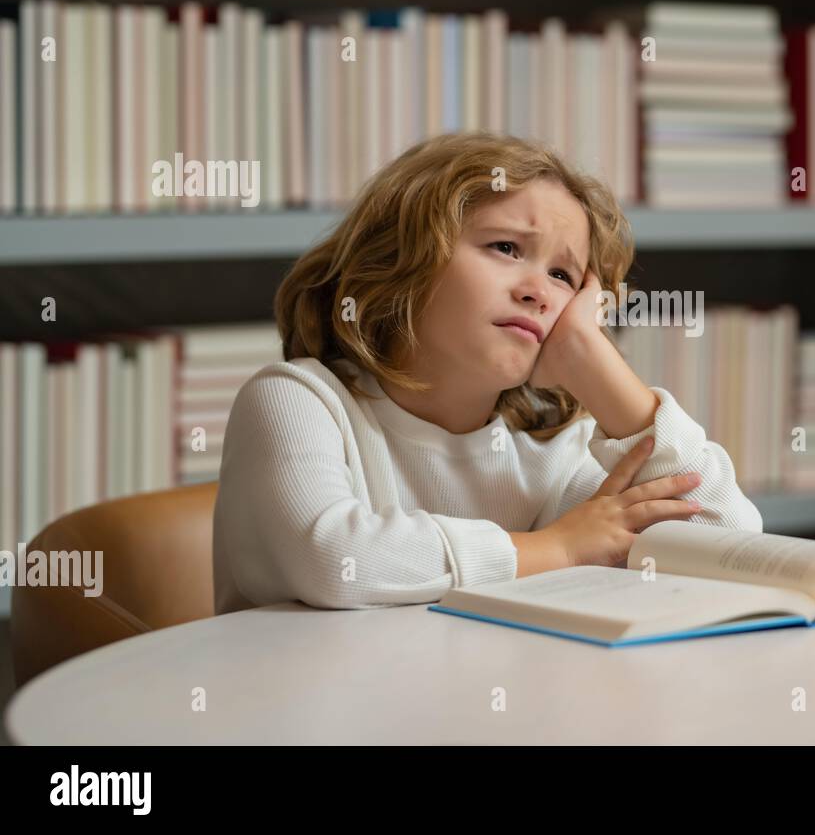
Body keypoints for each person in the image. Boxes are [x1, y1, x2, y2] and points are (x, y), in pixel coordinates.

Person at [212, 131, 762, 613]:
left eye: (563, 276)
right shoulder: (297, 400)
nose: (538, 291)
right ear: (399, 258)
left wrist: (594, 364)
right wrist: (555, 549)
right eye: (505, 247)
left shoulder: (552, 454)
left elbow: (730, 546)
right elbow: (333, 557)